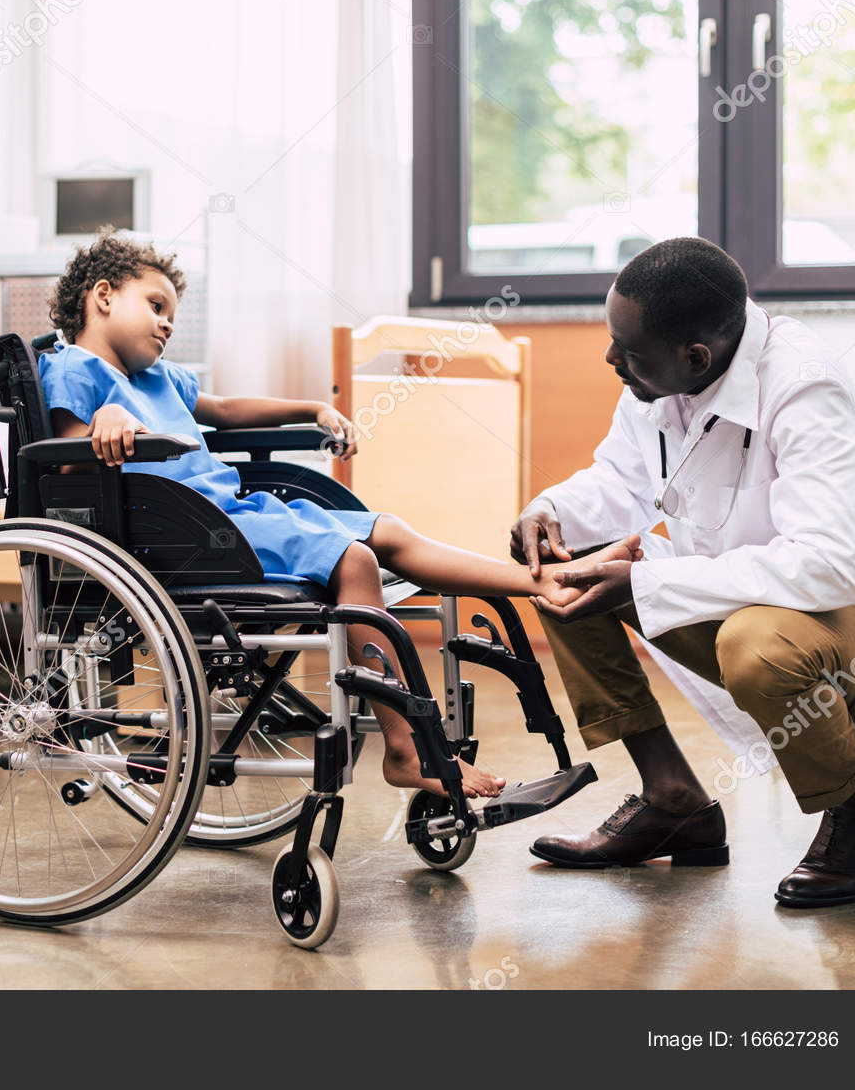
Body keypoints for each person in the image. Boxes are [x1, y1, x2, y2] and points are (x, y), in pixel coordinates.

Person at [38, 231, 642, 801]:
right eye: (156, 304)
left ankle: (547, 582)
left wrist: (310, 406)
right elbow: (64, 461)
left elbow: (221, 408)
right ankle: (407, 752)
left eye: (171, 311)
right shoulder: (72, 367)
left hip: (229, 516)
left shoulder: (157, 377)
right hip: (177, 534)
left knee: (388, 533)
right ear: (103, 296)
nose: (167, 322)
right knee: (355, 562)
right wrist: (104, 425)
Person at [511, 237, 855, 908]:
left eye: (626, 352)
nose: (609, 361)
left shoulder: (806, 388)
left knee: (755, 645)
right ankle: (673, 800)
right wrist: (550, 510)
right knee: (569, 574)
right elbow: (617, 477)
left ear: (697, 357)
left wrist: (647, 583)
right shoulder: (659, 379)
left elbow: (831, 566)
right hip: (743, 601)